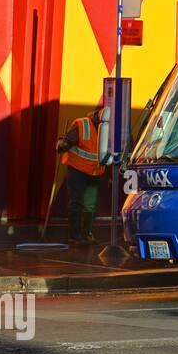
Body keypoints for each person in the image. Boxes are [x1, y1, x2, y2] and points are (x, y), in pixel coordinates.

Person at [56, 98, 107, 244]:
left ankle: (87, 234)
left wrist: (108, 174)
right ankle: (75, 236)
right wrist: (63, 144)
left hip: (95, 172)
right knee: (76, 202)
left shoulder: (108, 130)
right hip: (77, 170)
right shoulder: (83, 124)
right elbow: (66, 142)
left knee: (90, 205)